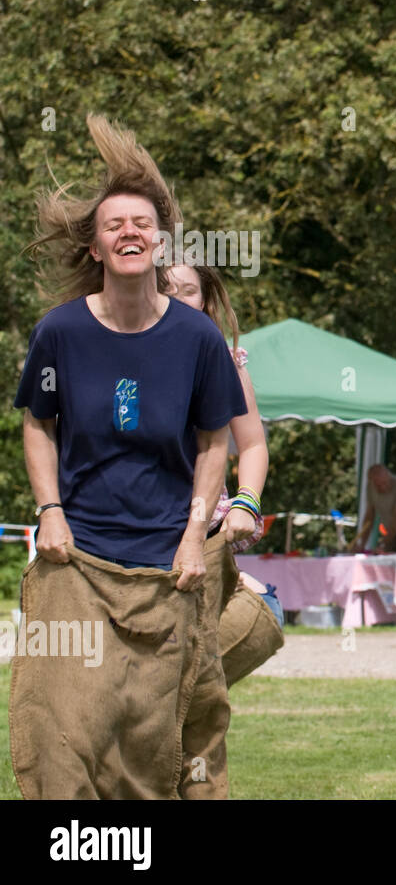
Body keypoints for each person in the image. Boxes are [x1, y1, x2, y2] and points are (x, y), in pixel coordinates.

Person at [12, 115, 246, 798]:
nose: (130, 233)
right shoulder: (60, 333)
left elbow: (215, 440)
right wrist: (50, 510)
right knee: (66, 730)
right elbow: (38, 425)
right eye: (114, 225)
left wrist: (194, 533)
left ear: (162, 240)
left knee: (145, 742)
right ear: (94, 245)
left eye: (142, 223)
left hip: (165, 567)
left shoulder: (197, 338)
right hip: (75, 558)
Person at [165, 262, 283, 632]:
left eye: (188, 291)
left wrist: (247, 503)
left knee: (262, 615)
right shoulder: (118, 351)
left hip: (204, 522)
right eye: (165, 289)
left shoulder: (227, 363)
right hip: (139, 517)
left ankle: (248, 589)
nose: (178, 300)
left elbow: (252, 444)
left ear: (204, 300)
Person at [351, 464, 396, 552]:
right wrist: (362, 544)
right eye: (378, 485)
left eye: (385, 483)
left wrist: (384, 543)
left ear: (389, 477)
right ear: (371, 481)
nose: (382, 487)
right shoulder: (370, 488)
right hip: (393, 530)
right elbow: (369, 517)